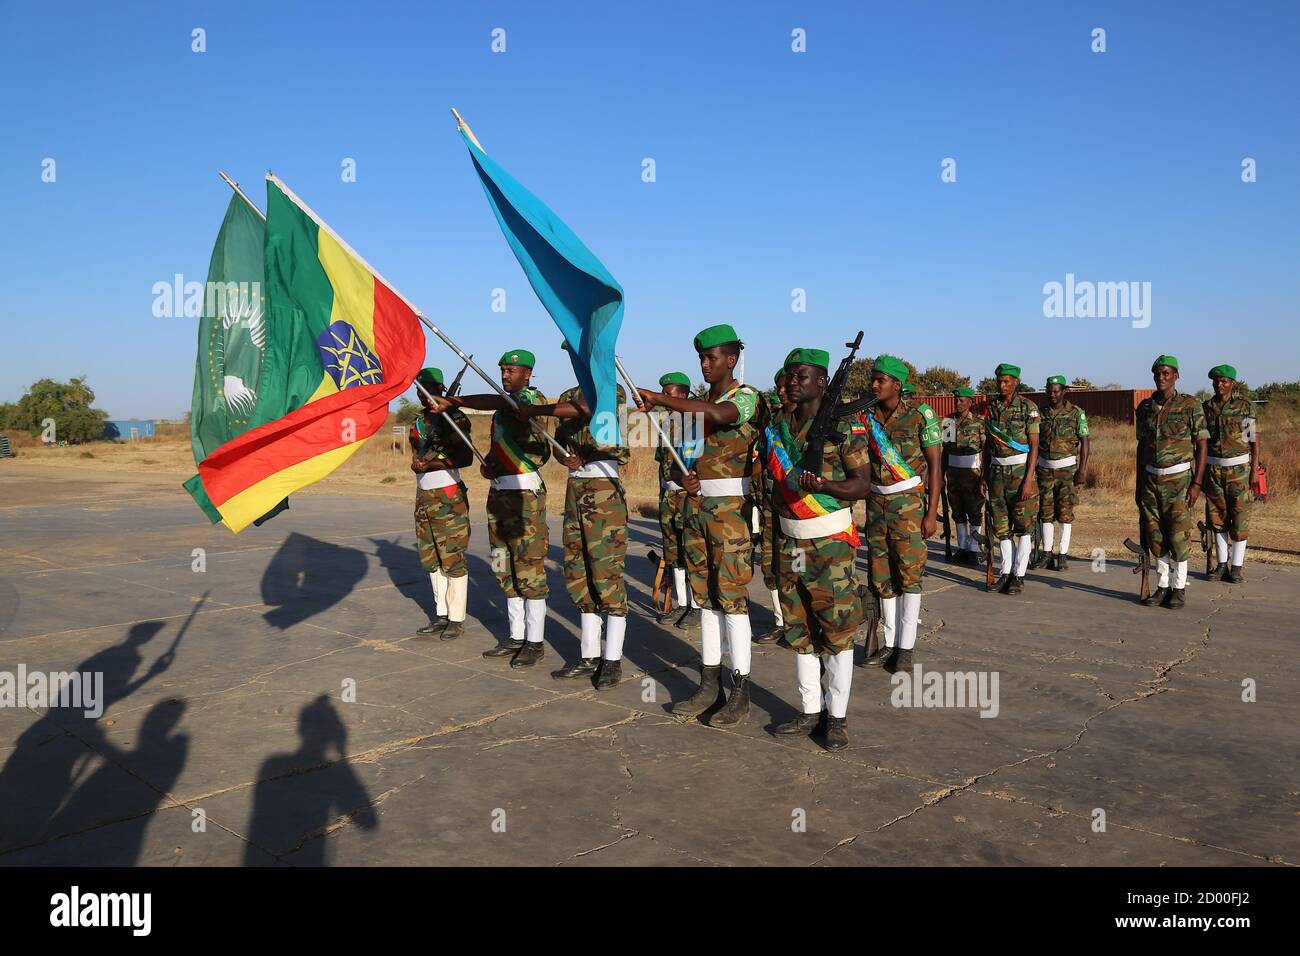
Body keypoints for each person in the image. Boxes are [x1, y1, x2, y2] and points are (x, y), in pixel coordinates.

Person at [636, 324, 762, 726]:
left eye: (712, 358)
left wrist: (659, 399)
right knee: (704, 594)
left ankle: (740, 689)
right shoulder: (695, 406)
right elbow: (681, 459)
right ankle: (710, 682)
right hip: (696, 508)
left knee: (732, 600)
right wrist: (684, 477)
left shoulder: (745, 397)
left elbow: (718, 415)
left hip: (730, 514)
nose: (706, 365)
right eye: (701, 359)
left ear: (731, 359)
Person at [762, 349, 869, 750]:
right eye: (789, 375)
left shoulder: (846, 425)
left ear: (822, 381)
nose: (792, 382)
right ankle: (809, 709)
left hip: (829, 543)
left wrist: (824, 487)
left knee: (836, 630)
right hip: (791, 539)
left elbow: (861, 484)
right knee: (798, 626)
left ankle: (837, 718)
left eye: (801, 375)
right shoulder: (778, 428)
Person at [429, 349, 552, 666]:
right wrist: (489, 466)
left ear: (528, 374)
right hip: (499, 493)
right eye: (502, 370)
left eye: (512, 370)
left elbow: (499, 402)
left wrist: (456, 401)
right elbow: (499, 442)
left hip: (525, 495)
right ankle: (516, 635)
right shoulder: (502, 408)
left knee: (528, 568)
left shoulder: (527, 401)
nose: (506, 375)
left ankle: (535, 642)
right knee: (502, 566)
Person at [517, 353, 630, 689]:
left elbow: (588, 409)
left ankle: (613, 661)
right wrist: (562, 455)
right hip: (576, 488)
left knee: (606, 572)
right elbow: (558, 441)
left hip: (605, 489)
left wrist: (534, 410)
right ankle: (589, 655)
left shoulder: (612, 391)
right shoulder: (566, 396)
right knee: (578, 570)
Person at [860, 356, 942, 671]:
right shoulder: (866, 419)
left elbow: (935, 468)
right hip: (876, 506)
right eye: (873, 379)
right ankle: (891, 643)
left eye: (880, 380)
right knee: (882, 577)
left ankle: (906, 648)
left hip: (908, 506)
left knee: (909, 577)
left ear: (897, 384)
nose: (874, 385)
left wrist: (931, 513)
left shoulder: (919, 417)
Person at [1135, 355, 1209, 609]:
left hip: (1179, 481)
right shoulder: (1144, 407)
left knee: (1178, 536)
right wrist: (1138, 484)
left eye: (1166, 373)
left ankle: (1179, 588)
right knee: (1156, 537)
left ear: (1176, 375)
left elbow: (1201, 444)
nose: (1161, 377)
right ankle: (1162, 586)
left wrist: (1197, 483)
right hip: (1150, 481)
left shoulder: (1190, 405)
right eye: (1157, 373)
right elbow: (1141, 446)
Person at [410, 368, 474, 640]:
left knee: (452, 558)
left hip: (447, 495)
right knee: (431, 558)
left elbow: (467, 458)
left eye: (429, 388)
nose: (424, 394)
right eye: (420, 389)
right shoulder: (419, 421)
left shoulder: (455, 418)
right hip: (423, 494)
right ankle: (441, 614)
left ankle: (457, 618)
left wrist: (432, 463)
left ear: (440, 388)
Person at [981, 363, 1040, 594]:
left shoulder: (1029, 407)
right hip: (996, 474)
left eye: (1007, 381)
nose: (1002, 385)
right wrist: (984, 476)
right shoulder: (992, 408)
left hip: (1019, 472)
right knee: (1001, 527)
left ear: (1016, 382)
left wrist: (1028, 480)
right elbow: (987, 446)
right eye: (999, 381)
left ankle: (1019, 575)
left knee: (1023, 526)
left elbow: (1034, 447)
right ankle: (1005, 573)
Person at [653, 372, 699, 628]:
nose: (663, 399)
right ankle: (680, 602)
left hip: (686, 496)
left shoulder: (695, 423)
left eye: (668, 394)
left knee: (691, 550)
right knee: (673, 552)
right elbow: (662, 466)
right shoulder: (664, 424)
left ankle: (695, 604)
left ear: (682, 395)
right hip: (668, 495)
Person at [1030, 375, 1090, 572]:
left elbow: (1085, 442)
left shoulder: (1076, 413)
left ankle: (1062, 553)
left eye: (1056, 391)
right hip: (1044, 469)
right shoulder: (1040, 413)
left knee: (1065, 513)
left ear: (1065, 391)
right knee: (1045, 512)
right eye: (1049, 390)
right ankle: (1047, 552)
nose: (1052, 394)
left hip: (1067, 471)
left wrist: (1081, 470)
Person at [754, 365, 795, 644]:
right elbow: (761, 461)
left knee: (796, 565)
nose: (780, 391)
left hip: (797, 507)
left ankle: (799, 622)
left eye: (784, 385)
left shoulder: (810, 422)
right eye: (777, 386)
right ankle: (780, 621)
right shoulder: (771, 425)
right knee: (770, 563)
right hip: (770, 503)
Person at [942, 386, 986, 565]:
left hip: (972, 473)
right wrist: (940, 474)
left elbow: (985, 450)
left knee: (974, 511)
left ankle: (974, 549)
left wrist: (984, 475)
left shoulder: (979, 422)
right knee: (957, 511)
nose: (958, 403)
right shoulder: (948, 422)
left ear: (970, 402)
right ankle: (962, 547)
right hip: (953, 474)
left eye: (962, 400)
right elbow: (945, 450)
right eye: (956, 400)